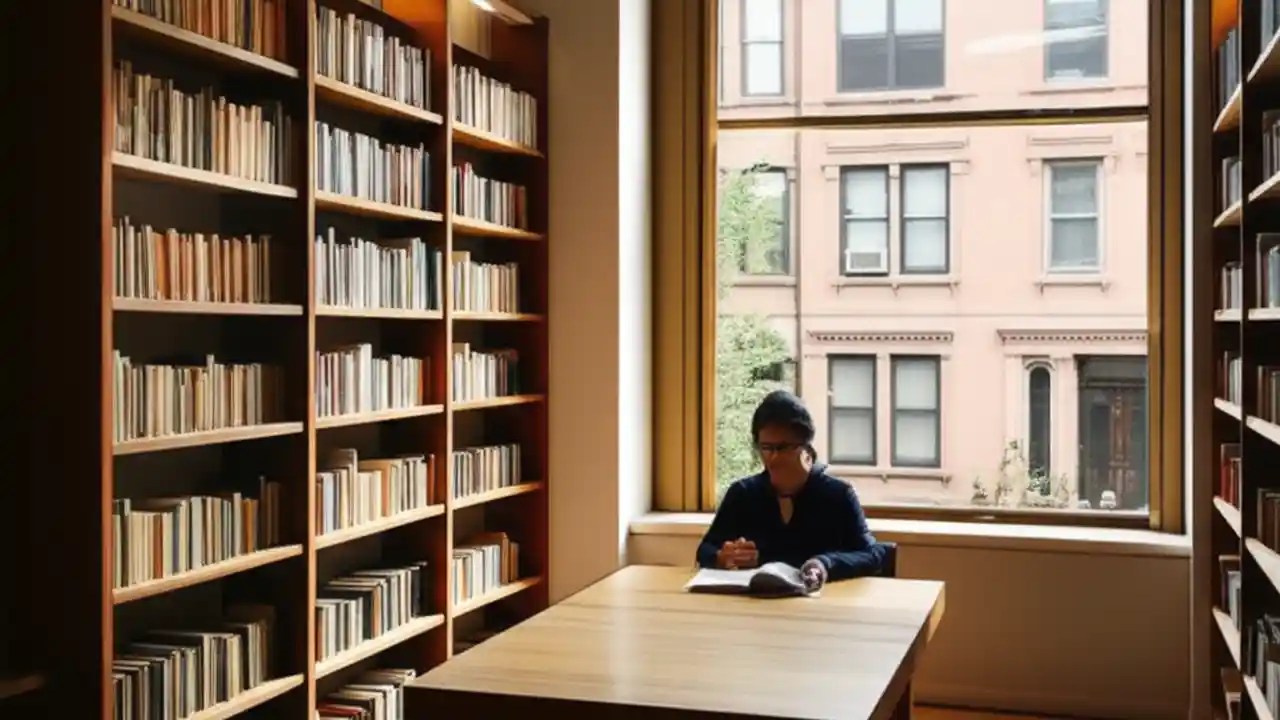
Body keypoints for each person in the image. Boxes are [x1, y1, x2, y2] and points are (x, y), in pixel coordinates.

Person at [696, 390, 886, 590]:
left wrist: (824, 563)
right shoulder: (743, 494)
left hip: (823, 610)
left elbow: (873, 554)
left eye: (783, 447)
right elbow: (705, 549)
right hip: (754, 608)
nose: (773, 458)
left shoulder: (838, 495)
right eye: (766, 448)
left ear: (805, 447)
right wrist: (722, 557)